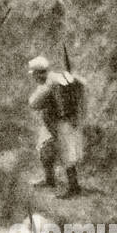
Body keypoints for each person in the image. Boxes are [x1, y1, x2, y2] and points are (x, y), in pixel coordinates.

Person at [27, 55, 87, 197]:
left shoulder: (50, 83)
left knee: (68, 156)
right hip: (53, 123)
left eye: (34, 73)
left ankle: (74, 187)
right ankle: (49, 180)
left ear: (38, 73)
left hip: (63, 122)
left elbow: (33, 103)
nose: (33, 77)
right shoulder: (54, 78)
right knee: (44, 148)